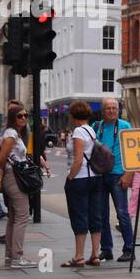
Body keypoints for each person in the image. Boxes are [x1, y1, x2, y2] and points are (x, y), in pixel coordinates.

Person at [92, 97, 135, 262]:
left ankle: (129, 249)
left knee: (122, 213)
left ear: (118, 110)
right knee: (101, 214)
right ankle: (106, 249)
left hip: (118, 175)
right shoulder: (97, 126)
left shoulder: (125, 126)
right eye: (108, 108)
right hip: (101, 175)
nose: (111, 111)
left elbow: (132, 153)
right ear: (103, 111)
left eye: (114, 108)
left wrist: (128, 174)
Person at [62, 100, 104, 268]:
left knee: (79, 216)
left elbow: (78, 160)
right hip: (95, 177)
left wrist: (70, 177)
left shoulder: (78, 132)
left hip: (80, 179)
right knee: (95, 215)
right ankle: (95, 255)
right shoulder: (91, 130)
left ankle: (79, 256)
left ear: (73, 115)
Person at [0, 106, 34, 268]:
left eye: (26, 115)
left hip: (12, 178)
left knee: (13, 218)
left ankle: (10, 256)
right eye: (20, 116)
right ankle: (17, 257)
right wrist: (0, 176)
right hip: (14, 178)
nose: (24, 118)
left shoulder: (14, 134)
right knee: (22, 217)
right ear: (13, 118)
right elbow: (2, 158)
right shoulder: (11, 134)